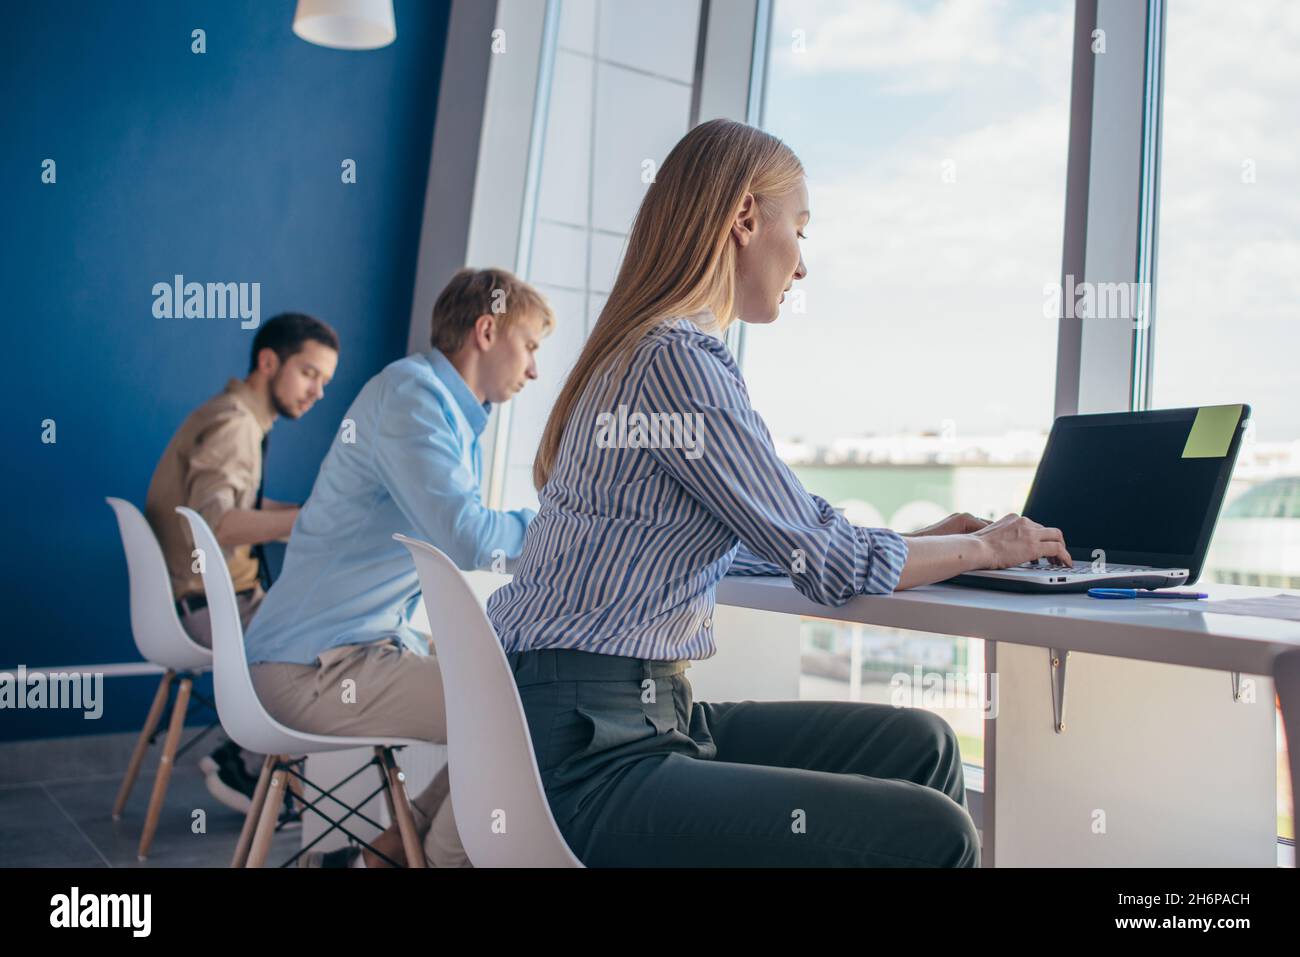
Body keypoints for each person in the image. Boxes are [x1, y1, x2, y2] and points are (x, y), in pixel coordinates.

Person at [485, 118, 1072, 867]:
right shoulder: (676, 362)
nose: (802, 265)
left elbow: (762, 550)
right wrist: (985, 545)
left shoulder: (644, 352)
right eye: (800, 228)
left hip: (625, 716)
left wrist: (928, 544)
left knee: (921, 743)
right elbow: (822, 560)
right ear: (743, 218)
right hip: (594, 756)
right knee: (939, 832)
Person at [243, 267, 554, 868]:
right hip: (309, 669)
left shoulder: (439, 411)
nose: (534, 369)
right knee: (522, 717)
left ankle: (388, 855)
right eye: (531, 346)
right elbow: (470, 538)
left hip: (338, 652)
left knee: (522, 687)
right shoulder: (413, 398)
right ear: (487, 331)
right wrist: (577, 527)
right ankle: (424, 863)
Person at [145, 312, 340, 814]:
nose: (317, 392)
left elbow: (236, 505)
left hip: (204, 598)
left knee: (317, 627)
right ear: (269, 361)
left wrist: (305, 513)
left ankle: (244, 752)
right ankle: (252, 770)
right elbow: (215, 523)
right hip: (214, 604)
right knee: (328, 651)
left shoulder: (233, 414)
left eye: (325, 381)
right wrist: (301, 520)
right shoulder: (236, 423)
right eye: (309, 373)